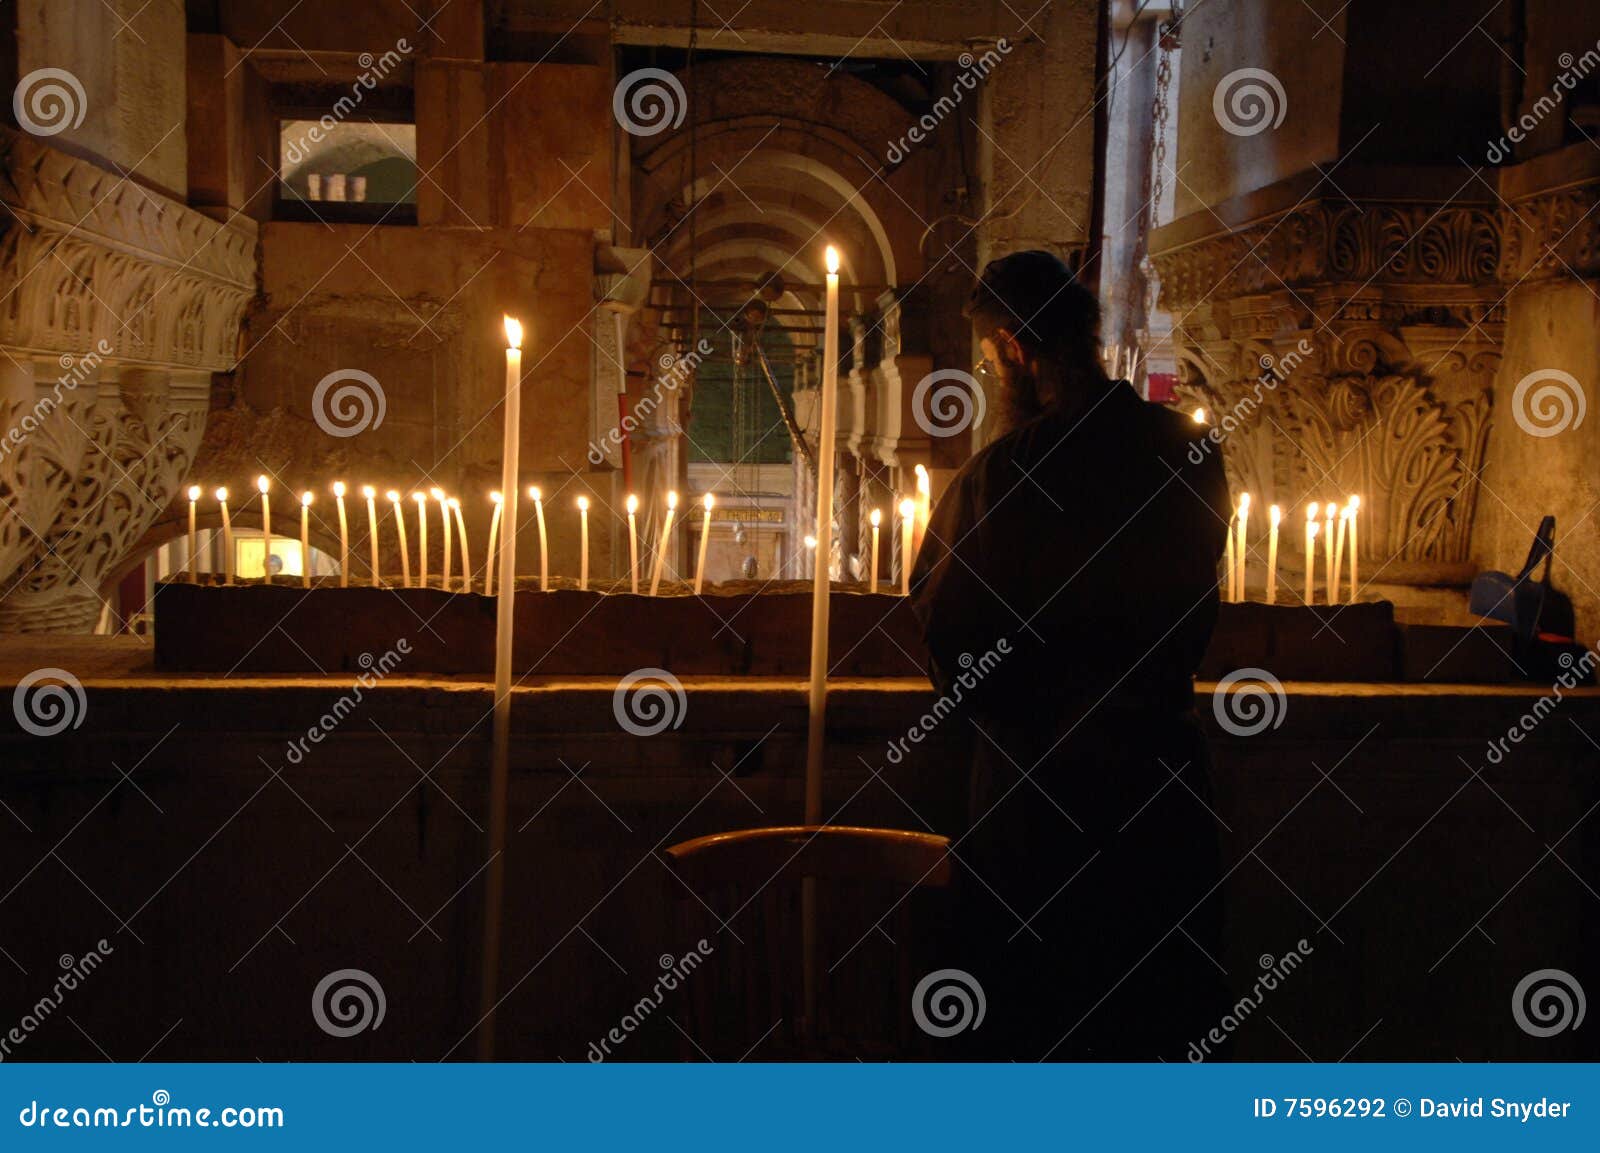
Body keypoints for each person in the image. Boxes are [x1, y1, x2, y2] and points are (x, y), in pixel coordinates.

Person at [910, 250, 1232, 1060]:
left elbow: (948, 631)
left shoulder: (1000, 475)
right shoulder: (1188, 453)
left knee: (1037, 1037)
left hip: (1035, 808)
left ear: (1015, 349)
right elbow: (1193, 617)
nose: (992, 381)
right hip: (1161, 795)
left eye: (989, 364)